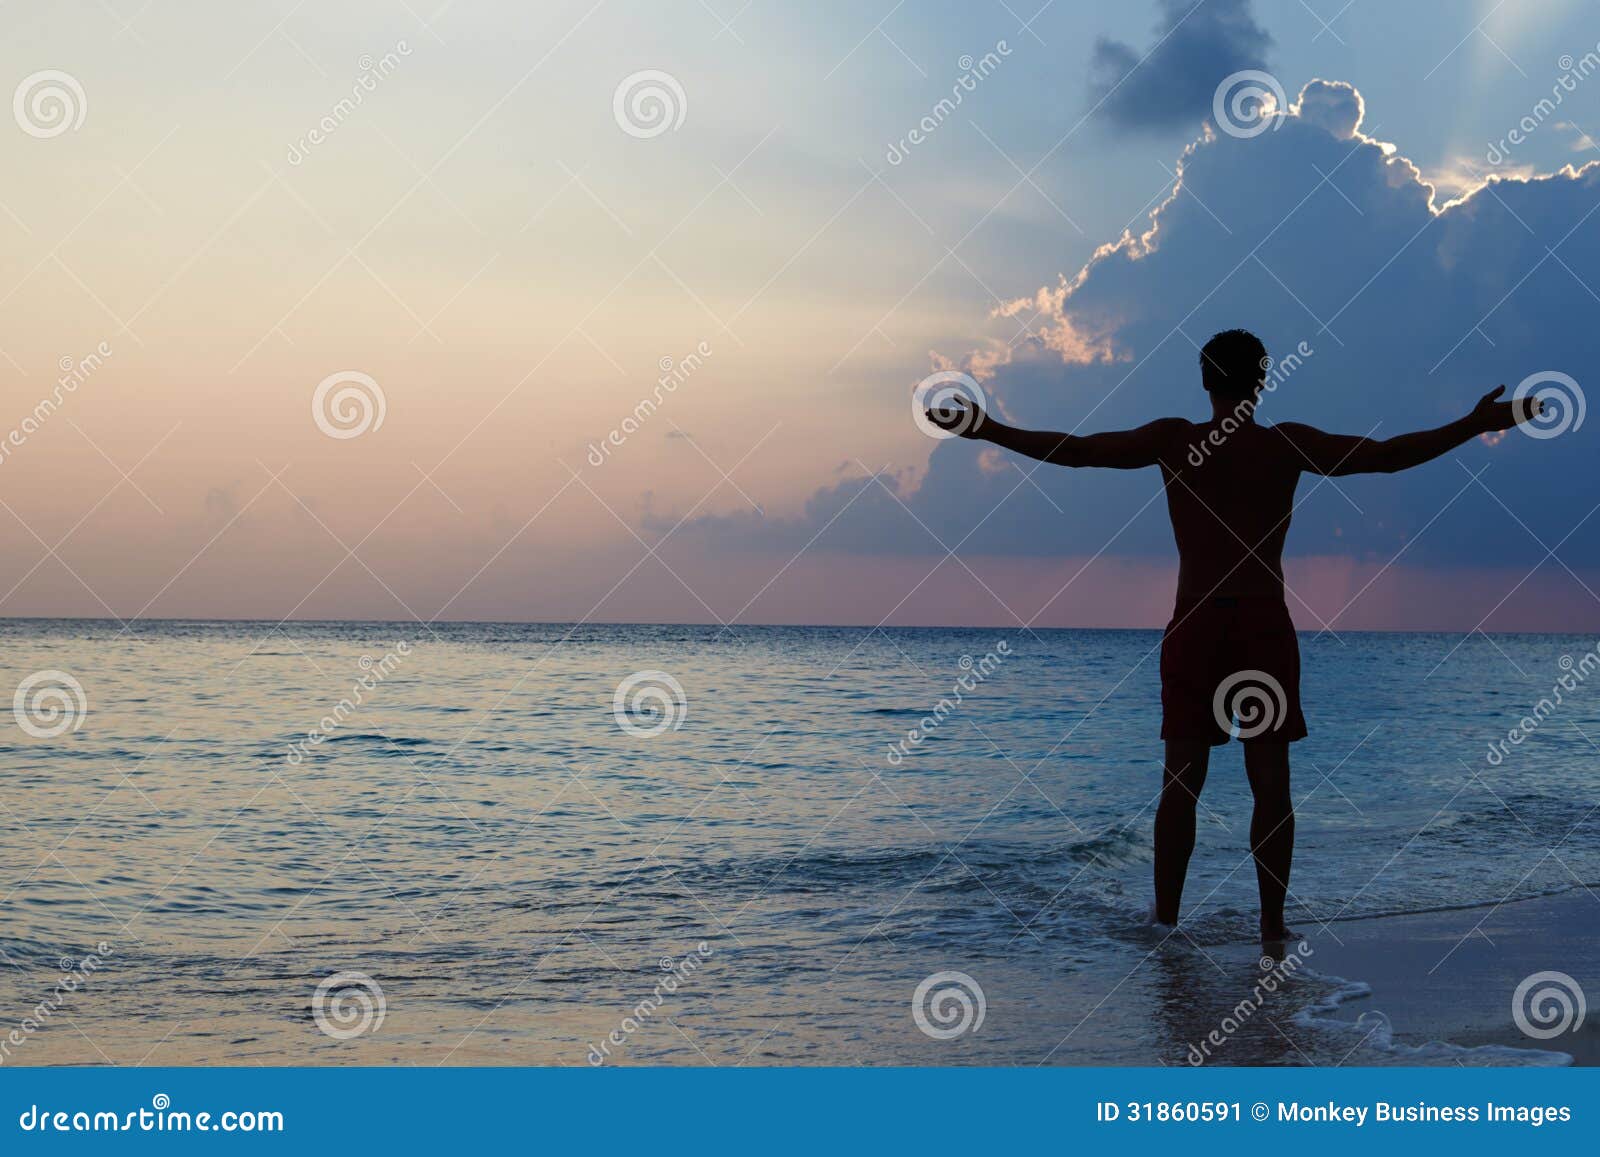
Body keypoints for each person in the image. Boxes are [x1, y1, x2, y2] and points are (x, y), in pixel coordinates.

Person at [926, 329, 1541, 942]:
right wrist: (1471, 423)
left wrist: (989, 429)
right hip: (1260, 625)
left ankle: (1165, 922)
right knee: (1269, 784)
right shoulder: (1284, 447)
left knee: (1181, 781)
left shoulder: (1175, 439)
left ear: (1204, 381)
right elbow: (1383, 455)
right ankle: (1272, 927)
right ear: (1262, 380)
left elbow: (1078, 450)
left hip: (1196, 623)